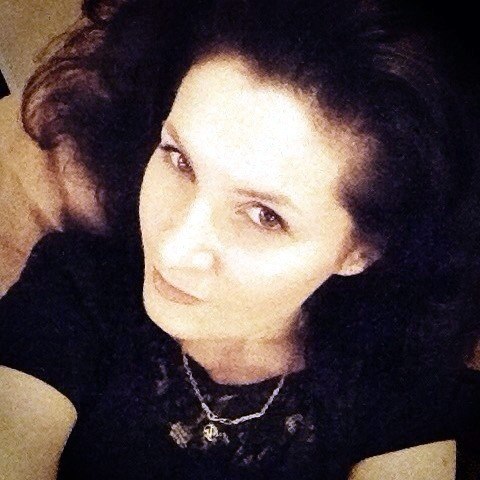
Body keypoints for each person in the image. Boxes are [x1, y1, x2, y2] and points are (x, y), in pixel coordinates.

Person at [1, 0, 480, 479]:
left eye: (264, 216)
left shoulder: (395, 378)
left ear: (362, 251)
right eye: (179, 159)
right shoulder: (75, 289)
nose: (172, 250)